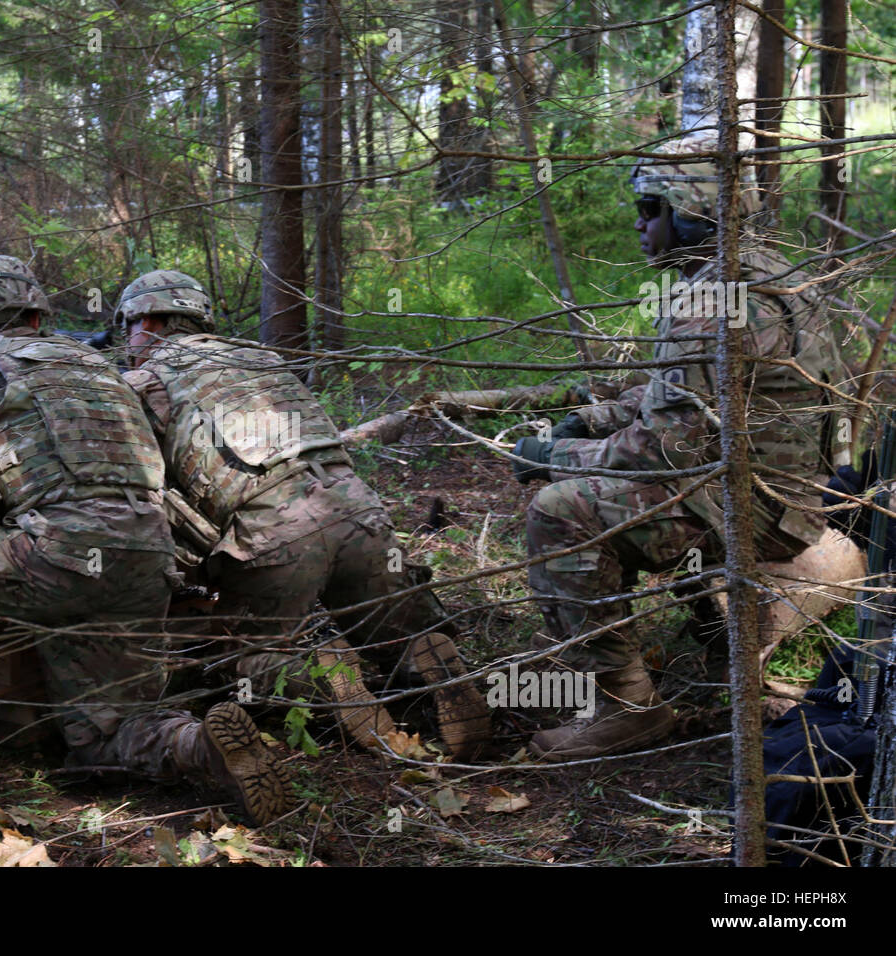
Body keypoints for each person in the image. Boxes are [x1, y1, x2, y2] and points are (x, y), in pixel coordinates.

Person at [0, 255, 291, 825]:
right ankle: (200, 747)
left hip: (51, 559)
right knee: (104, 732)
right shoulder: (106, 369)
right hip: (147, 560)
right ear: (36, 316)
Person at [511, 133, 845, 761]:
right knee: (607, 487)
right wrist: (593, 418)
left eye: (649, 210)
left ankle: (627, 710)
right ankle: (726, 653)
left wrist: (551, 457)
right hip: (786, 494)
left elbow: (662, 450)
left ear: (691, 214)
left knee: (563, 509)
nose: (639, 227)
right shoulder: (769, 274)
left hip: (752, 509)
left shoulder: (710, 303)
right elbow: (692, 400)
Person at [118, 270, 492, 759]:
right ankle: (425, 656)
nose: (127, 341)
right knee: (390, 626)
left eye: (128, 328)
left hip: (276, 534)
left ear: (147, 321)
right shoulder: (261, 358)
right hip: (359, 512)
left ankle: (323, 684)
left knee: (238, 653)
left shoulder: (144, 381)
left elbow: (143, 487)